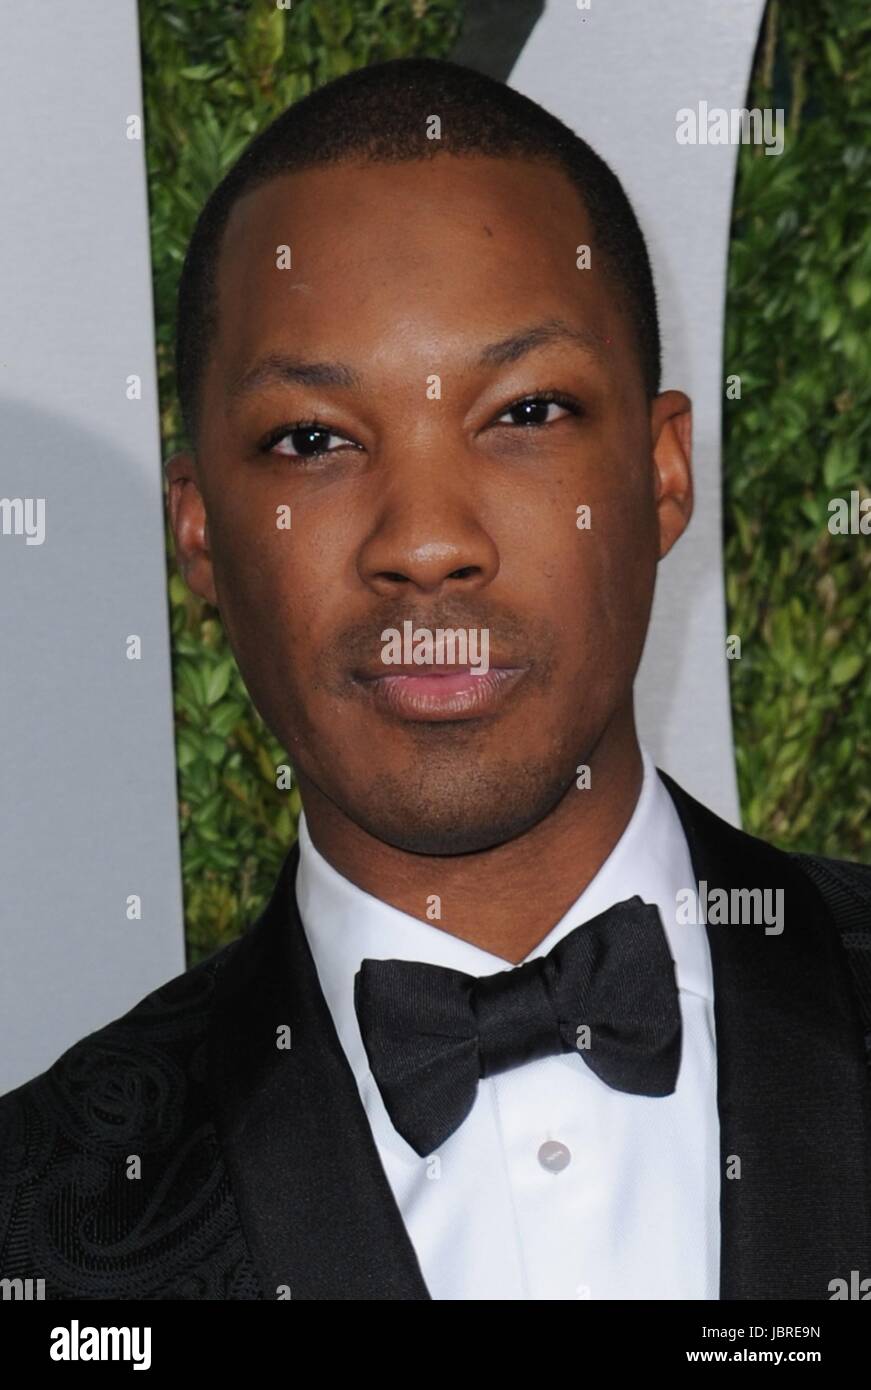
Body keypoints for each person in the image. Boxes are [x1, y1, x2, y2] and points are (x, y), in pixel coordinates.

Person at [1, 57, 868, 1302]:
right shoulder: (36, 1225)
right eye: (313, 440)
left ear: (664, 473)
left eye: (523, 413)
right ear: (199, 531)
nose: (421, 539)